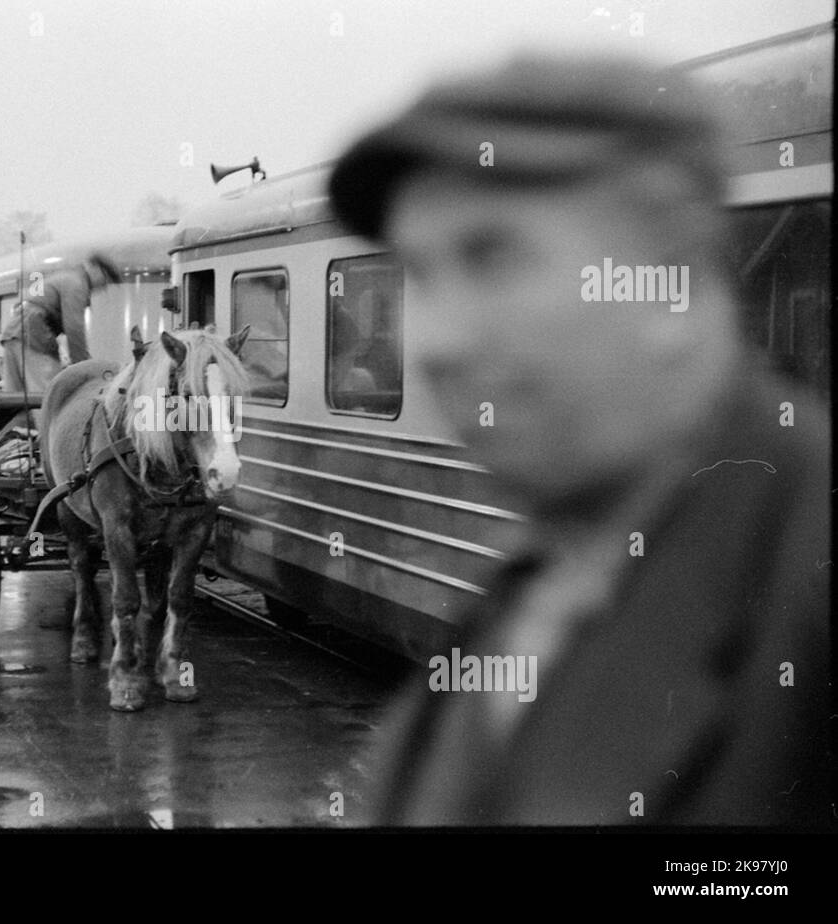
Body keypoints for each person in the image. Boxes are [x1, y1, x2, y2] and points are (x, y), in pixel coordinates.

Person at [328, 54, 830, 825]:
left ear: (674, 276)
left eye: (491, 257)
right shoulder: (554, 565)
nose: (432, 342)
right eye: (417, 273)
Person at [0, 254, 121, 405]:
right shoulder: (77, 283)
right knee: (47, 396)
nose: (103, 287)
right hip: (34, 333)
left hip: (13, 333)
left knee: (13, 398)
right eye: (105, 279)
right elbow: (74, 328)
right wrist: (84, 368)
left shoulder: (65, 277)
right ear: (94, 269)